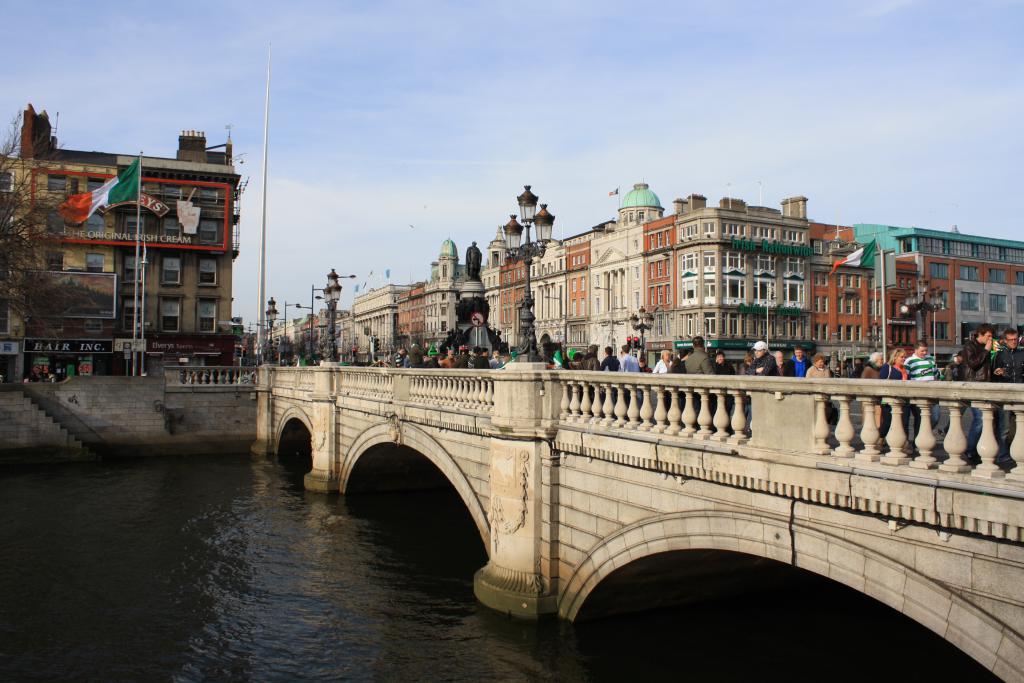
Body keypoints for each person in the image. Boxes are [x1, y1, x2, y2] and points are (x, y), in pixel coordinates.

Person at [962, 324, 995, 463]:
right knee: (980, 419)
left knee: (985, 420)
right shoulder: (970, 346)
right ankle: (970, 450)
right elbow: (973, 364)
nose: (990, 339)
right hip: (974, 386)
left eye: (991, 336)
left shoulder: (985, 348)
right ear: (980, 334)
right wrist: (986, 350)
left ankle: (976, 449)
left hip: (985, 387)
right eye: (988, 336)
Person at [992, 328, 1024, 464]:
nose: (1014, 342)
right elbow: (993, 374)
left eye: (1015, 339)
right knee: (1004, 427)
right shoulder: (999, 355)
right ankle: (1003, 454)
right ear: (1005, 340)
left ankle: (1018, 452)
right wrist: (998, 372)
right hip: (1005, 395)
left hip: (1020, 394)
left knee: (1020, 426)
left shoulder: (1022, 353)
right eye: (1011, 340)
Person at [877, 348, 910, 438]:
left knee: (904, 423)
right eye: (902, 357)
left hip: (904, 400)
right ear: (895, 357)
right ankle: (877, 438)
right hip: (888, 401)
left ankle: (904, 443)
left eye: (905, 357)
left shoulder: (905, 369)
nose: (904, 359)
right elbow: (881, 382)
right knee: (887, 423)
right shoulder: (887, 367)